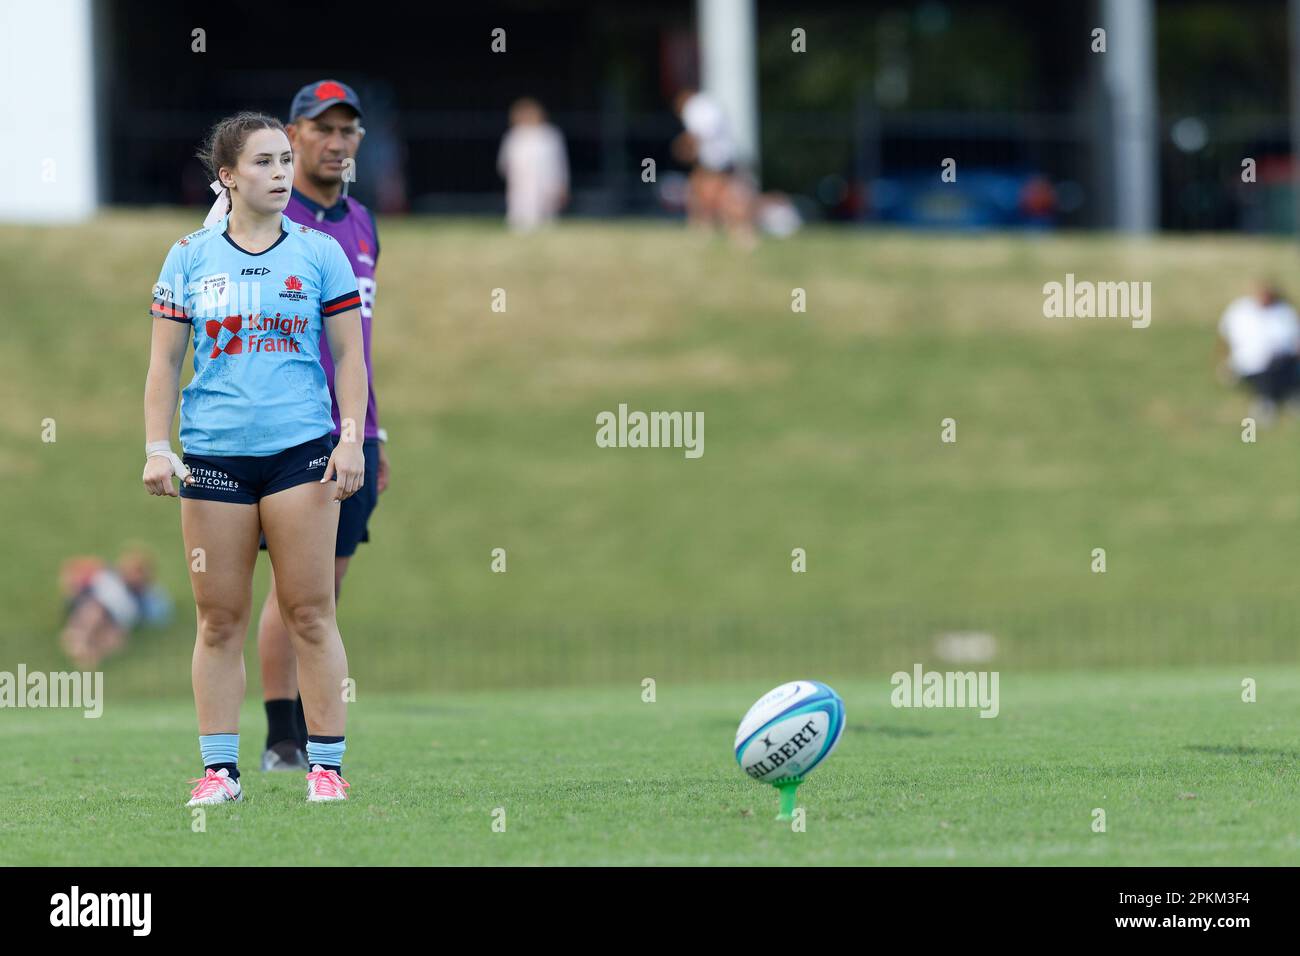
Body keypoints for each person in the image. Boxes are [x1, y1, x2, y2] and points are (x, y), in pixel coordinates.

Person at [143, 111, 366, 806]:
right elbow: (163, 364)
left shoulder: (320, 251)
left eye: (282, 161)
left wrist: (350, 436)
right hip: (213, 458)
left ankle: (325, 767)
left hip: (301, 451)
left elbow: (351, 354)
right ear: (228, 177)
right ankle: (220, 772)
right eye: (265, 163)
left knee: (309, 611)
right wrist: (157, 447)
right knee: (219, 620)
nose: (280, 173)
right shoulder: (188, 256)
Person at [250, 80, 390, 773]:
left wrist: (372, 431)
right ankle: (283, 738)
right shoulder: (271, 222)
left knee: (324, 592)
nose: (336, 143)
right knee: (294, 590)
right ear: (293, 134)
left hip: (353, 435)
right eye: (322, 129)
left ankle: (307, 731)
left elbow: (357, 344)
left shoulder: (362, 222)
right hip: (295, 432)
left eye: (347, 131)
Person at [59, 549, 172, 668]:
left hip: (114, 621)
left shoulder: (141, 599)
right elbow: (72, 575)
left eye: (140, 573)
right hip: (94, 606)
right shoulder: (107, 575)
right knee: (94, 614)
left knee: (116, 639)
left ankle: (91, 653)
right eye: (133, 570)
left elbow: (160, 613)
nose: (134, 576)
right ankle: (79, 639)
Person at [671, 88, 755, 247]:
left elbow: (697, 135)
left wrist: (681, 147)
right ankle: (720, 229)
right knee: (709, 192)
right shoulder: (709, 105)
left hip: (714, 159)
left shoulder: (694, 109)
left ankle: (729, 230)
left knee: (716, 196)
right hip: (723, 156)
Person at [1217, 280, 1300, 422]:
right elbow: (1223, 338)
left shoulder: (1284, 312)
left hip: (1284, 362)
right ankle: (1265, 403)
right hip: (1250, 364)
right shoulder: (1240, 311)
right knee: (1265, 370)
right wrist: (1223, 364)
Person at [496, 97, 569, 231]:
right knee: (520, 216)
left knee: (547, 215)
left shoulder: (550, 135)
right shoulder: (514, 136)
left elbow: (560, 163)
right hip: (521, 183)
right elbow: (505, 162)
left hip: (547, 182)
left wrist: (561, 184)